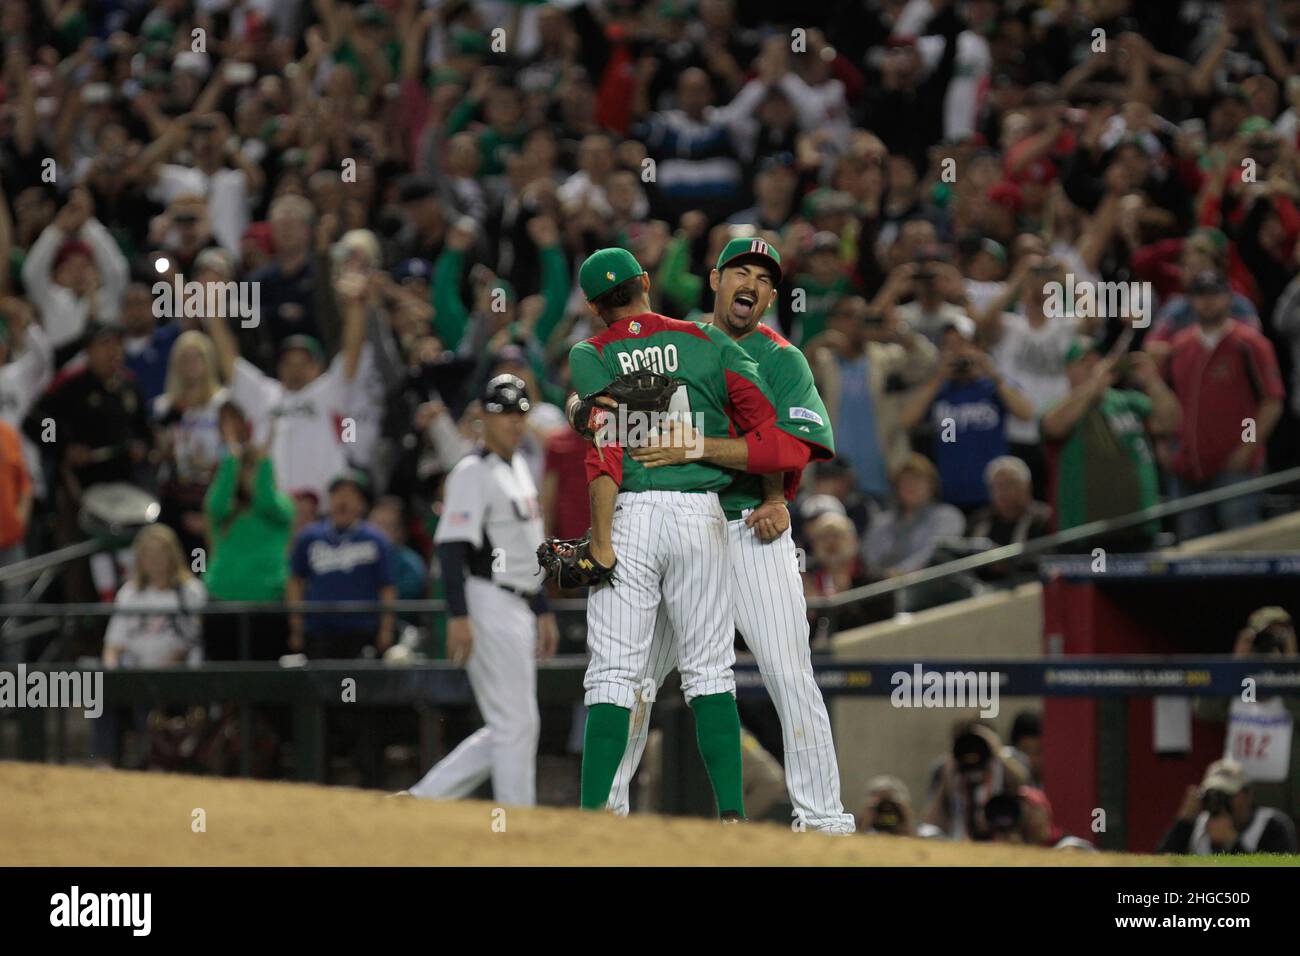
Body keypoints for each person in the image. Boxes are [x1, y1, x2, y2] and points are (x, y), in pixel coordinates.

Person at [605, 237, 856, 832]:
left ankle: (823, 820)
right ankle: (606, 817)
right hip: (675, 526)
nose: (752, 284)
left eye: (764, 279)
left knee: (789, 671)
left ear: (771, 295)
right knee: (635, 679)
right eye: (740, 271)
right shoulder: (674, 344)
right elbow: (619, 413)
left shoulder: (782, 358)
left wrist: (772, 493)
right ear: (715, 280)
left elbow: (798, 440)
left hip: (747, 530)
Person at [566, 245, 779, 819]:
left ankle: (590, 820)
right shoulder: (708, 341)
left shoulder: (591, 352)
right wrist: (775, 492)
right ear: (644, 283)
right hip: (699, 512)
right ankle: (731, 816)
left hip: (631, 510)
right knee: (710, 670)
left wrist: (601, 539)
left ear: (592, 305)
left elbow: (605, 451)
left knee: (613, 673)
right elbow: (768, 427)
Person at [408, 375, 558, 806]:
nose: (513, 422)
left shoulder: (521, 467)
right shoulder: (472, 471)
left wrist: (542, 607)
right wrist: (458, 616)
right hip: (489, 598)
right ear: (483, 417)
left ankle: (422, 799)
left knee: (511, 724)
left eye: (519, 413)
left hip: (520, 600)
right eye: (503, 413)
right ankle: (516, 821)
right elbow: (452, 549)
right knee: (516, 722)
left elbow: (531, 546)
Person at [204, 269, 368, 505]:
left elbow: (352, 352)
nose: (295, 369)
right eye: (288, 363)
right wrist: (214, 314)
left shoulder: (328, 391)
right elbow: (229, 360)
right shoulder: (263, 393)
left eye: (303, 363)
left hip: (320, 505)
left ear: (318, 368)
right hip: (272, 507)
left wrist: (355, 307)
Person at [1164, 270, 1285, 540]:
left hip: (1234, 465)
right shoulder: (1180, 345)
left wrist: (1248, 446)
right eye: (1200, 296)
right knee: (1191, 552)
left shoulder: (1250, 343)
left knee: (1241, 544)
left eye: (1214, 295)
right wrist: (1166, 447)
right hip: (1188, 465)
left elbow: (1271, 401)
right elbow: (1168, 401)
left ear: (1228, 298)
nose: (1207, 302)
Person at [1040, 339, 1181, 549]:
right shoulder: (1061, 405)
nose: (1093, 365)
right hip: (1085, 530)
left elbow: (1172, 422)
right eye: (1083, 361)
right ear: (1068, 371)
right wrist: (1093, 386)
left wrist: (1152, 380)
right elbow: (1053, 426)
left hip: (1139, 525)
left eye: (1097, 359)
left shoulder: (1129, 401)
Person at [898, 317, 1035, 512]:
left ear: (977, 347)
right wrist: (937, 378)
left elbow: (1027, 412)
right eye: (949, 346)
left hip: (992, 495)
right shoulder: (938, 390)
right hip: (949, 495)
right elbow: (906, 421)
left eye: (962, 344)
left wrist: (991, 372)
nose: (957, 352)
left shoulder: (992, 387)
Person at [202, 401, 296, 661]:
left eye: (252, 468)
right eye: (247, 469)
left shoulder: (282, 507)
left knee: (265, 681)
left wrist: (264, 461)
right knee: (224, 678)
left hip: (266, 603)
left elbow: (265, 500)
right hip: (222, 599)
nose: (249, 475)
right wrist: (231, 460)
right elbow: (215, 505)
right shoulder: (225, 510)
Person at [1193, 607, 1300, 823]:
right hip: (1238, 790)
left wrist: (1289, 665)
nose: (1269, 645)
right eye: (1266, 637)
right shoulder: (1240, 683)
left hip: (1285, 793)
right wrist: (1236, 662)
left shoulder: (1293, 682)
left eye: (1279, 637)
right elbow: (1203, 710)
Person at [287, 470, 396, 660]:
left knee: (358, 686)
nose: (343, 501)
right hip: (319, 630)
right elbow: (295, 581)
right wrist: (297, 627)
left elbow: (387, 587)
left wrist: (386, 630)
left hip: (362, 629)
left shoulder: (376, 539)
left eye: (350, 495)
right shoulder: (310, 537)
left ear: (362, 503)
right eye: (338, 495)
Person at [152, 331, 227, 557]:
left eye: (197, 357)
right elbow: (156, 454)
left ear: (209, 361)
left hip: (213, 493)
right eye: (184, 358)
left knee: (209, 563)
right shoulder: (164, 406)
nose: (191, 365)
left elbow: (233, 453)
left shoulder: (223, 403)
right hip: (176, 496)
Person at [1158, 758, 1298, 855]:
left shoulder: (1272, 826)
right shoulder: (1199, 825)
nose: (1221, 801)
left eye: (1228, 794)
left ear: (1247, 795)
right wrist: (1183, 822)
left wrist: (1232, 843)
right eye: (1215, 794)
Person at [862, 453, 966, 580]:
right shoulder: (880, 522)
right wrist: (883, 576)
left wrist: (901, 572)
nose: (911, 486)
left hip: (931, 584)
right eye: (905, 481)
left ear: (932, 485)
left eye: (917, 480)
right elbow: (869, 559)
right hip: (882, 589)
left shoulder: (948, 516)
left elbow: (936, 553)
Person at [966, 456, 1051, 583]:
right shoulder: (980, 520)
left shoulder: (1043, 518)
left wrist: (1007, 560)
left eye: (1012, 484)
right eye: (999, 486)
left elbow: (1048, 560)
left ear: (1028, 486)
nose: (1005, 492)